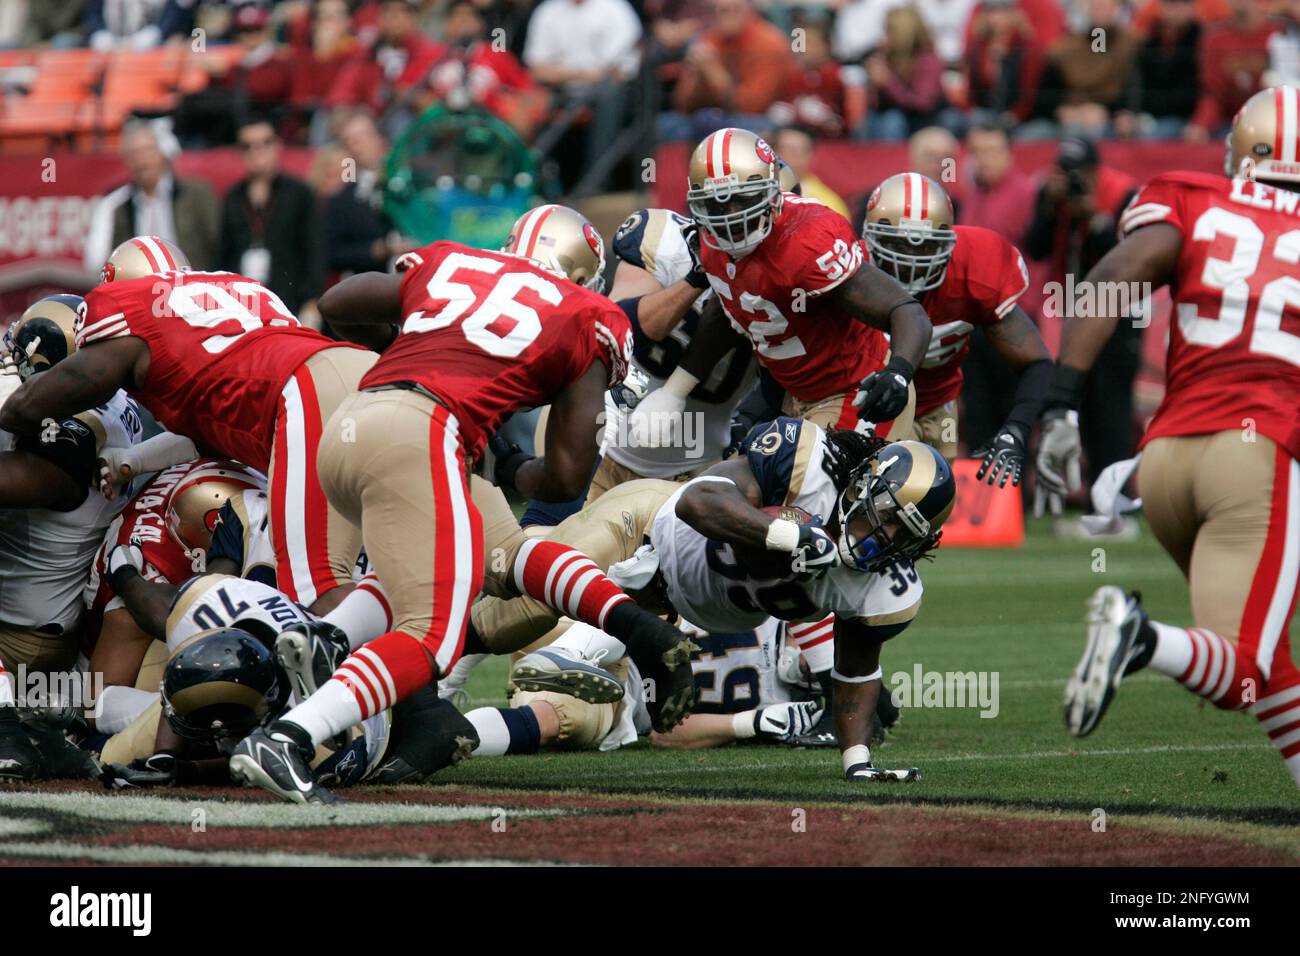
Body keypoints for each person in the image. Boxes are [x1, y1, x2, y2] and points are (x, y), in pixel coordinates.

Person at [228, 205, 698, 804]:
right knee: (431, 638)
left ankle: (331, 637)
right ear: (587, 277)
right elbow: (562, 479)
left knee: (499, 552)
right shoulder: (589, 316)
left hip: (351, 423)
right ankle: (288, 738)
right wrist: (509, 452)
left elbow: (342, 301)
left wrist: (425, 340)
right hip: (425, 434)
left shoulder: (452, 261)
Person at [1041, 86, 1300, 788]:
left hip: (1163, 462)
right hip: (1259, 456)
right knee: (1240, 667)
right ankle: (1140, 637)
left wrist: (1061, 403)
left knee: (1260, 656)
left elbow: (1110, 278)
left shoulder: (1191, 196)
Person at [1, 235, 380, 618]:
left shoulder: (127, 305)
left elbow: (57, 393)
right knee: (386, 570)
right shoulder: (241, 290)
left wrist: (12, 400)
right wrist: (132, 459)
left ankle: (352, 678)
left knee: (317, 588)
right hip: (364, 376)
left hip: (305, 395)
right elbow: (214, 431)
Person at [632, 128, 933, 448]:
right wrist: (675, 390)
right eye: (716, 207)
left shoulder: (808, 241)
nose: (731, 218)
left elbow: (906, 310)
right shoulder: (711, 243)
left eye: (742, 200)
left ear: (772, 193)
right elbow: (727, 309)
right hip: (789, 391)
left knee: (794, 485)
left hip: (853, 391)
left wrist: (898, 373)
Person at [862, 173, 1049, 469]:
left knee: (934, 500)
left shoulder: (976, 266)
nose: (909, 260)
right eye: (897, 245)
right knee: (874, 491)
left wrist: (1017, 429)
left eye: (924, 247)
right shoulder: (851, 270)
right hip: (866, 404)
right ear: (870, 239)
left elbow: (1036, 363)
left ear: (948, 244)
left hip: (938, 405)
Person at [1024, 136, 1139, 490]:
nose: (1075, 179)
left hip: (1120, 311)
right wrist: (1049, 207)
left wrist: (1095, 218)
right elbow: (1036, 247)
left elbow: (1129, 258)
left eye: (1081, 171)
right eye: (1066, 170)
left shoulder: (1124, 194)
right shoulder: (1053, 195)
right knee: (1083, 402)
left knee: (1112, 406)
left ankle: (1116, 497)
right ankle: (1096, 496)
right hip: (1077, 312)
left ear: (1095, 170)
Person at [83, 121, 219, 276]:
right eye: (134, 154)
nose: (141, 161)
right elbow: (108, 260)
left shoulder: (196, 194)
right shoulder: (121, 207)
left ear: (161, 153)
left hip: (192, 284)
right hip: (144, 288)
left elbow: (218, 245)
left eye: (146, 151)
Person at [219, 116, 325, 315]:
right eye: (247, 146)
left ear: (278, 145)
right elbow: (224, 253)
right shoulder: (232, 198)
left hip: (290, 301)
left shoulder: (300, 194)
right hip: (242, 306)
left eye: (265, 143)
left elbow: (314, 249)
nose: (257, 151)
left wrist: (311, 302)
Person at [664, 0, 795, 142]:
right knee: (666, 125)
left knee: (714, 125)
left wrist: (714, 74)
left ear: (750, 10)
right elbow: (682, 105)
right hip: (713, 116)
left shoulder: (770, 43)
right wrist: (697, 78)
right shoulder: (708, 40)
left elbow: (751, 107)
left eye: (735, 9)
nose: (727, 16)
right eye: (720, 11)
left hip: (765, 119)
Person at [1184, 0, 1280, 142]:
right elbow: (1213, 93)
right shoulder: (1215, 39)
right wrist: (1201, 124)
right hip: (1229, 121)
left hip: (1272, 120)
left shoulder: (1278, 35)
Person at [859, 6, 947, 142]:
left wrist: (888, 82)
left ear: (904, 33)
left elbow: (923, 103)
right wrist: (873, 85)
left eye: (889, 30)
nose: (884, 36)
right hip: (892, 116)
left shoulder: (928, 60)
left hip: (925, 119)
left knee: (892, 122)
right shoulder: (883, 57)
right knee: (862, 128)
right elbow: (876, 106)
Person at [772, 126, 848, 218]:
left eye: (794, 151)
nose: (785, 156)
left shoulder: (827, 203)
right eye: (782, 149)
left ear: (811, 156)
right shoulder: (756, 187)